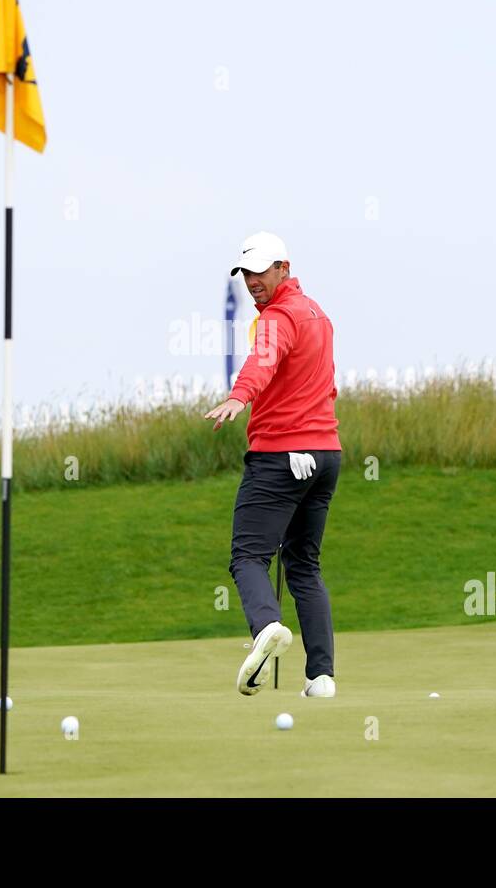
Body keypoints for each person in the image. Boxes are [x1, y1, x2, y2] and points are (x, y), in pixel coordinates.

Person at [204, 231, 342, 698]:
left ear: (284, 267)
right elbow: (328, 383)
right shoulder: (318, 315)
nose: (252, 281)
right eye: (245, 273)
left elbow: (261, 363)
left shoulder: (279, 318)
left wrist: (238, 397)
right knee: (304, 565)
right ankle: (320, 678)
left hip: (281, 454)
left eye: (260, 270)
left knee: (247, 556)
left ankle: (266, 627)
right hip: (325, 455)